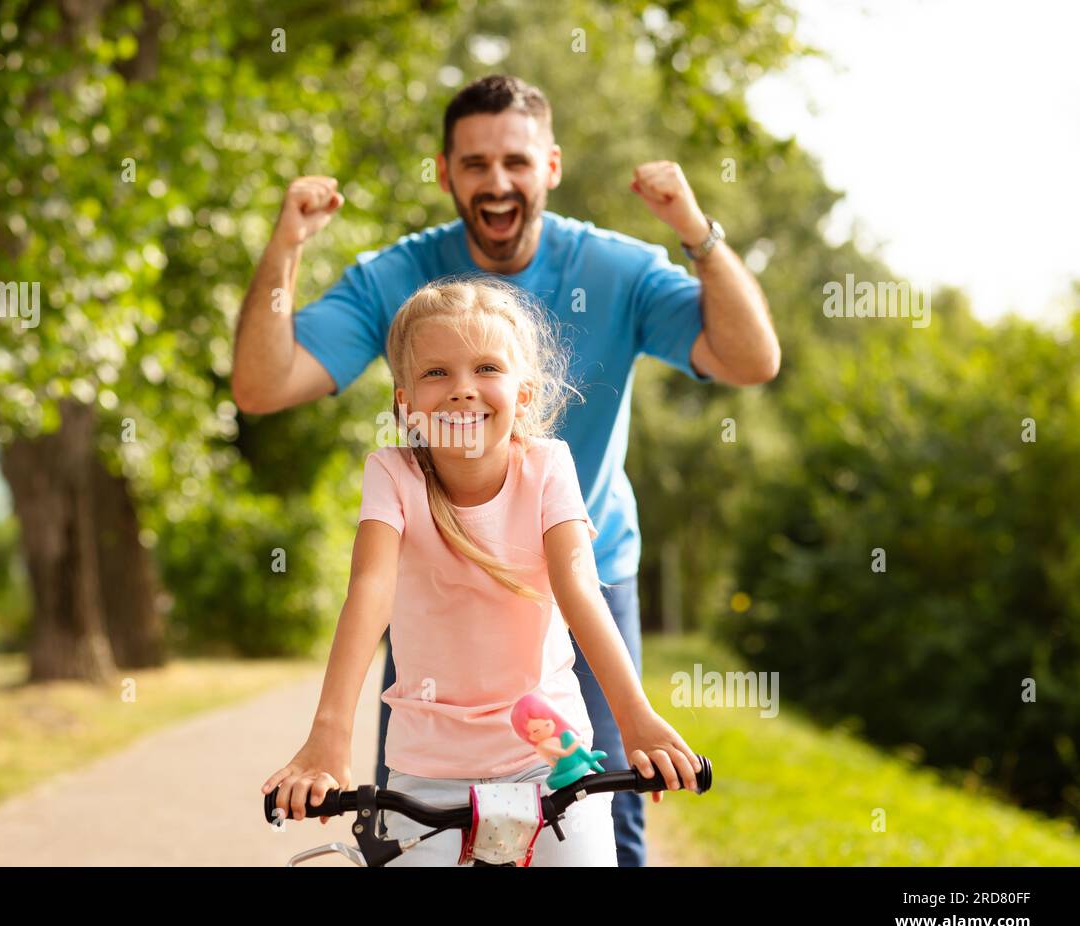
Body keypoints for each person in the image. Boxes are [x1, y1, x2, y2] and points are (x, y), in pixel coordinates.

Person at [233, 75, 779, 865]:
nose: (496, 182)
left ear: (550, 167)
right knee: (416, 804)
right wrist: (285, 248)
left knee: (605, 808)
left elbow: (751, 358)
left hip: (578, 578)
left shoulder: (615, 268)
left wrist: (696, 232)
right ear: (446, 172)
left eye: (515, 162)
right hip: (436, 594)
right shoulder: (396, 281)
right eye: (475, 163)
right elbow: (260, 385)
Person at [260, 277, 704, 866]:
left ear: (523, 395)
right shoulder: (392, 475)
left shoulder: (548, 467)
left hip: (553, 755)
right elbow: (371, 590)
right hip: (426, 766)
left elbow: (578, 590)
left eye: (486, 368)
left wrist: (636, 718)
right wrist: (329, 737)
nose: (463, 391)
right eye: (436, 373)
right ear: (405, 404)